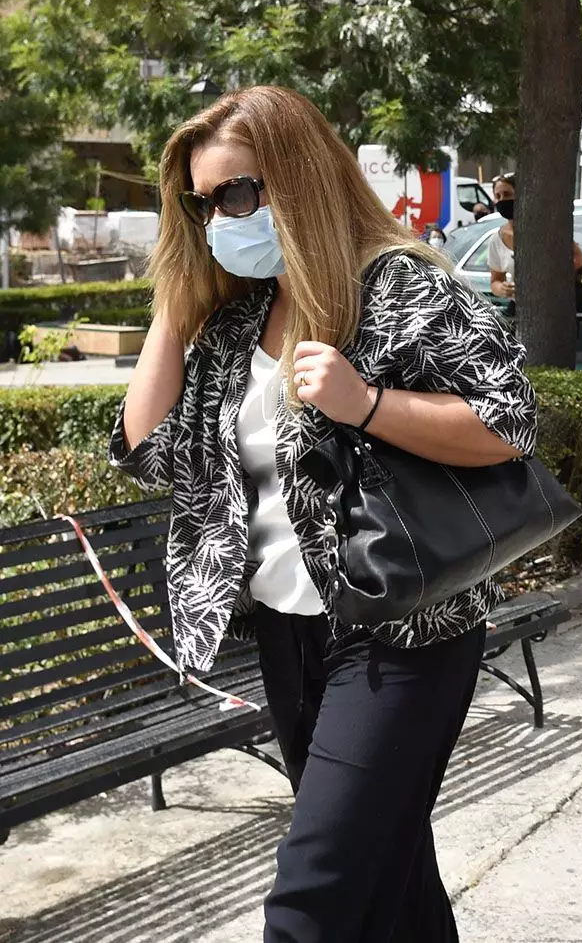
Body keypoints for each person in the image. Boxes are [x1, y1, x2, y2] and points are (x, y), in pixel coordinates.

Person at [110, 86, 537, 941]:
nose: (221, 216)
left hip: (401, 633)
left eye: (235, 192)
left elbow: (511, 421)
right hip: (288, 636)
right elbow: (147, 444)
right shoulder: (237, 320)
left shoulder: (400, 287)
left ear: (298, 177)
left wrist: (365, 401)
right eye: (203, 204)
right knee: (392, 882)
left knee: (311, 900)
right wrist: (173, 298)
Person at [487, 172, 582, 303]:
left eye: (507, 194)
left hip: (553, 306)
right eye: (497, 196)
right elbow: (495, 281)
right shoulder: (497, 240)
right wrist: (502, 289)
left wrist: (546, 279)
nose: (501, 200)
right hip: (519, 309)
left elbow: (578, 259)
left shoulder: (545, 229)